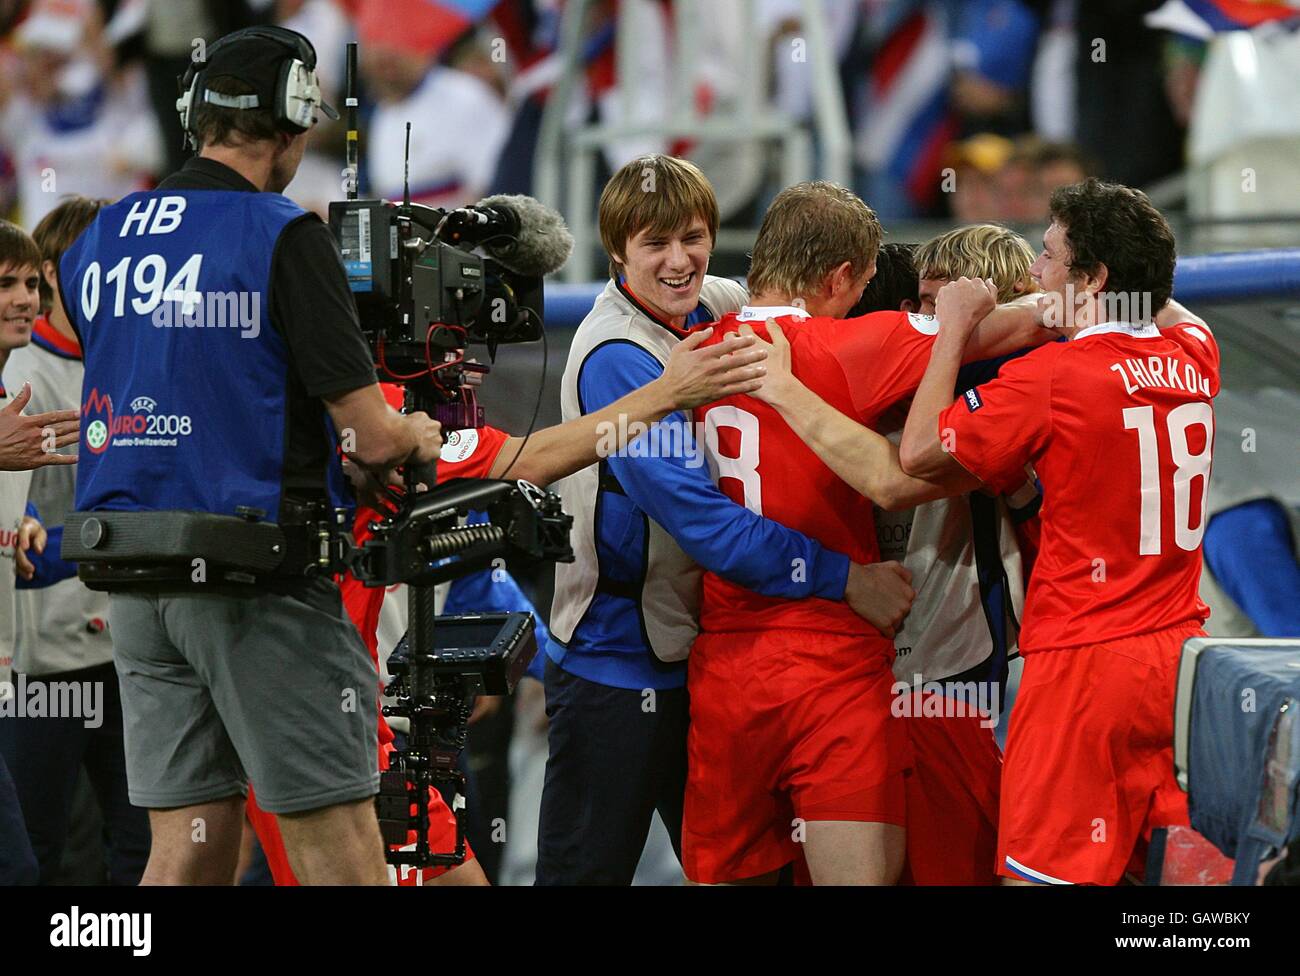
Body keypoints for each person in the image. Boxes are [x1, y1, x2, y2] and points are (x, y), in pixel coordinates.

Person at [57, 26, 446, 886]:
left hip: (133, 576)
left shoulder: (102, 234)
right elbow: (369, 436)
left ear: (196, 118)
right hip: (254, 581)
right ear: (294, 124)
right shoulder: (282, 233)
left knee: (185, 849)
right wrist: (417, 431)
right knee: (338, 847)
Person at [247, 331, 770, 886]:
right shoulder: (387, 429)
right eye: (449, 355)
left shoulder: (265, 417)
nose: (464, 375)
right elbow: (534, 459)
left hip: (310, 713)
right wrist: (669, 391)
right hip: (323, 725)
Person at [542, 156, 912, 886]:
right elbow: (707, 526)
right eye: (654, 244)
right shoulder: (616, 356)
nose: (678, 262)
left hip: (702, 659)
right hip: (613, 662)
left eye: (693, 237)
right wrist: (847, 579)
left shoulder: (710, 304)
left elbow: (792, 299)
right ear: (616, 251)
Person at [687, 183, 1049, 886]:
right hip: (832, 660)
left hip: (724, 667)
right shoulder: (854, 340)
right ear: (842, 278)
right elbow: (1025, 325)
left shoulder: (691, 355)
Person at [898, 178, 1217, 885]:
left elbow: (919, 454)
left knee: (1040, 876)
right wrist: (1076, 300)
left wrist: (953, 327)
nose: (1035, 278)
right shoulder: (1196, 354)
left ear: (1093, 276)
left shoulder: (1053, 378)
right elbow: (1163, 301)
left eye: (1047, 259)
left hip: (1083, 665)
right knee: (1170, 884)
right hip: (1180, 658)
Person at [3, 196, 151, 884]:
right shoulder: (19, 378)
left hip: (128, 649)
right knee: (35, 848)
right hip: (40, 663)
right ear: (66, 274)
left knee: (146, 841)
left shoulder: (136, 365)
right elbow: (21, 551)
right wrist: (120, 541)